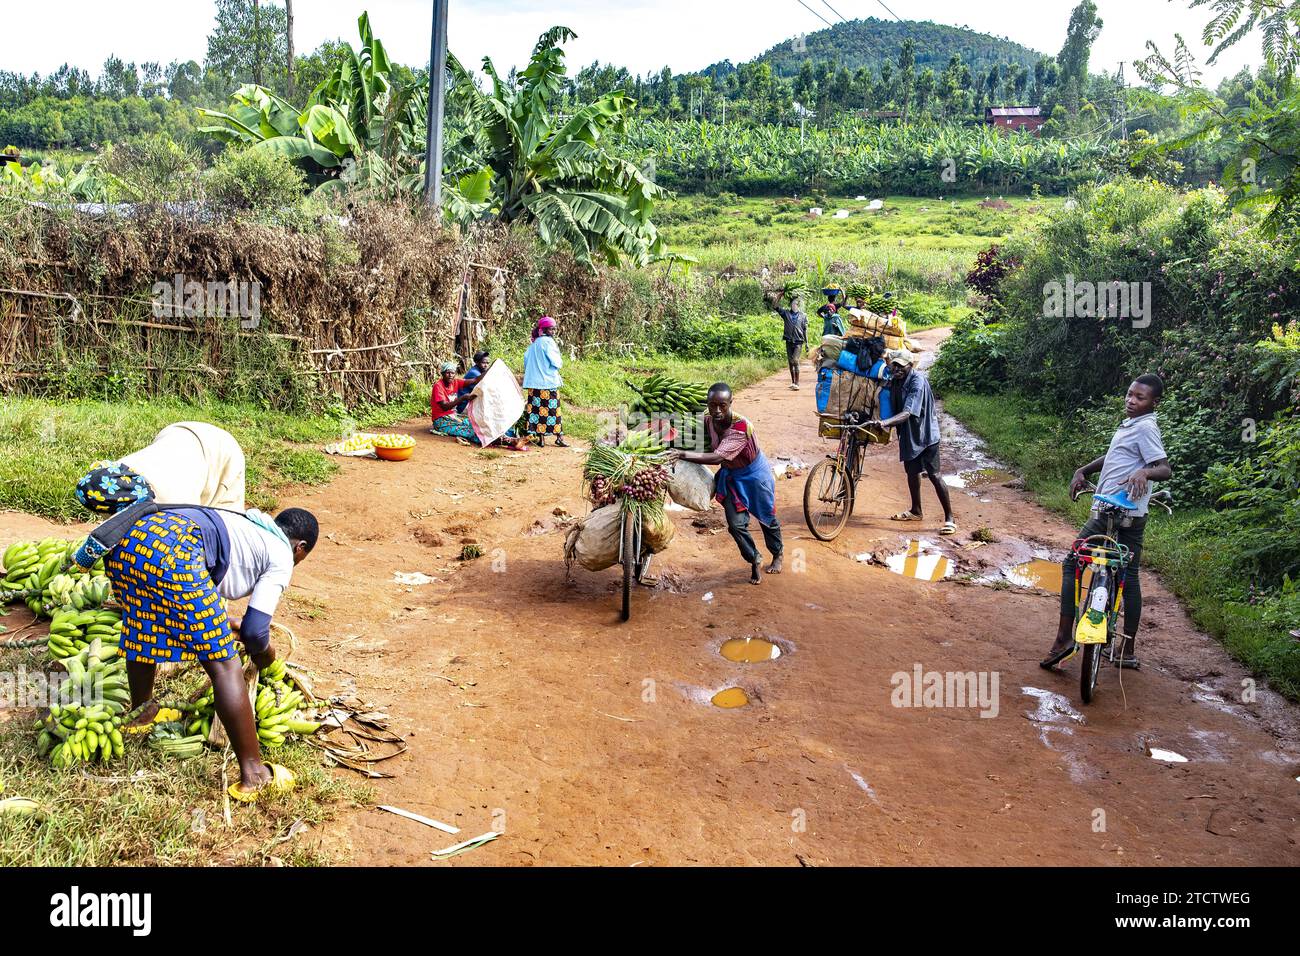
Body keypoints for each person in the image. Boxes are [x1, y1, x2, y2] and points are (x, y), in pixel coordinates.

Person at [70, 492, 318, 802]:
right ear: (301, 548)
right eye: (301, 558)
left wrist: (220, 621)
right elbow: (255, 632)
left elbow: (191, 593)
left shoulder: (247, 522)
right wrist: (265, 654)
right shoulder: (282, 555)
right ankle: (255, 775)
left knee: (144, 628)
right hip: (178, 552)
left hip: (132, 542)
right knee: (224, 665)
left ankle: (141, 714)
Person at [1040, 374, 1171, 672]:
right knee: (1128, 574)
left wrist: (1146, 474)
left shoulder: (1147, 427)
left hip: (1113, 515)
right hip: (1119, 512)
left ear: (1154, 403)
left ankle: (1063, 638)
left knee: (1073, 564)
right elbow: (1114, 455)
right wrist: (1082, 469)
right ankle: (1127, 650)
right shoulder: (1132, 425)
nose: (1131, 400)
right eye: (1129, 394)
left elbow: (1164, 468)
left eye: (1140, 398)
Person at [670, 383, 783, 585]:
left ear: (731, 403)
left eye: (722, 405)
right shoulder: (707, 418)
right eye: (713, 405)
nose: (717, 411)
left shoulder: (741, 427)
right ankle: (754, 558)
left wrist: (681, 453)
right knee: (736, 525)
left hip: (754, 475)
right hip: (731, 476)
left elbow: (717, 457)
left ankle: (777, 553)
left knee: (767, 517)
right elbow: (686, 428)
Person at [866, 348, 956, 536]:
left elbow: (908, 412)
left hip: (925, 434)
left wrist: (884, 423)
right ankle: (916, 511)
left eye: (901, 365)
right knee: (911, 472)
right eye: (894, 365)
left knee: (934, 475)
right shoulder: (894, 380)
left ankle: (949, 518)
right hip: (908, 434)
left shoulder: (918, 382)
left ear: (910, 365)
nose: (897, 368)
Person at [75, 422, 246, 514]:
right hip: (178, 435)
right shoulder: (117, 478)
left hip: (221, 451)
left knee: (222, 525)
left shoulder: (175, 502)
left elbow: (184, 535)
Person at [430, 360, 523, 448]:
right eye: (447, 373)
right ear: (442, 374)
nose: (450, 375)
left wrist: (491, 368)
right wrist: (463, 398)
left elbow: (475, 380)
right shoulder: (438, 386)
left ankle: (507, 437)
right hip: (441, 420)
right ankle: (510, 441)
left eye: (452, 373)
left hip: (453, 416)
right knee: (470, 432)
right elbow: (444, 407)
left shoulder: (455, 382)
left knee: (479, 423)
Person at [523, 316, 568, 447]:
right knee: (554, 412)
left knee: (537, 411)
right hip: (548, 383)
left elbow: (526, 362)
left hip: (534, 384)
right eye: (551, 329)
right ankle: (559, 438)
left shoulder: (533, 344)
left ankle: (541, 440)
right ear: (544, 330)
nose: (553, 332)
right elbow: (557, 363)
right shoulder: (548, 343)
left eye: (554, 329)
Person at [771, 296, 808, 390]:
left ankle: (797, 383)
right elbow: (775, 306)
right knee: (790, 362)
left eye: (796, 303)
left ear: (798, 305)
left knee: (795, 360)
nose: (794, 305)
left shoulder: (803, 316)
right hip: (788, 341)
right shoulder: (785, 313)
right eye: (792, 303)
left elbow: (804, 330)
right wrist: (780, 295)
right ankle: (793, 382)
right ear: (790, 305)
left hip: (798, 341)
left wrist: (807, 343)